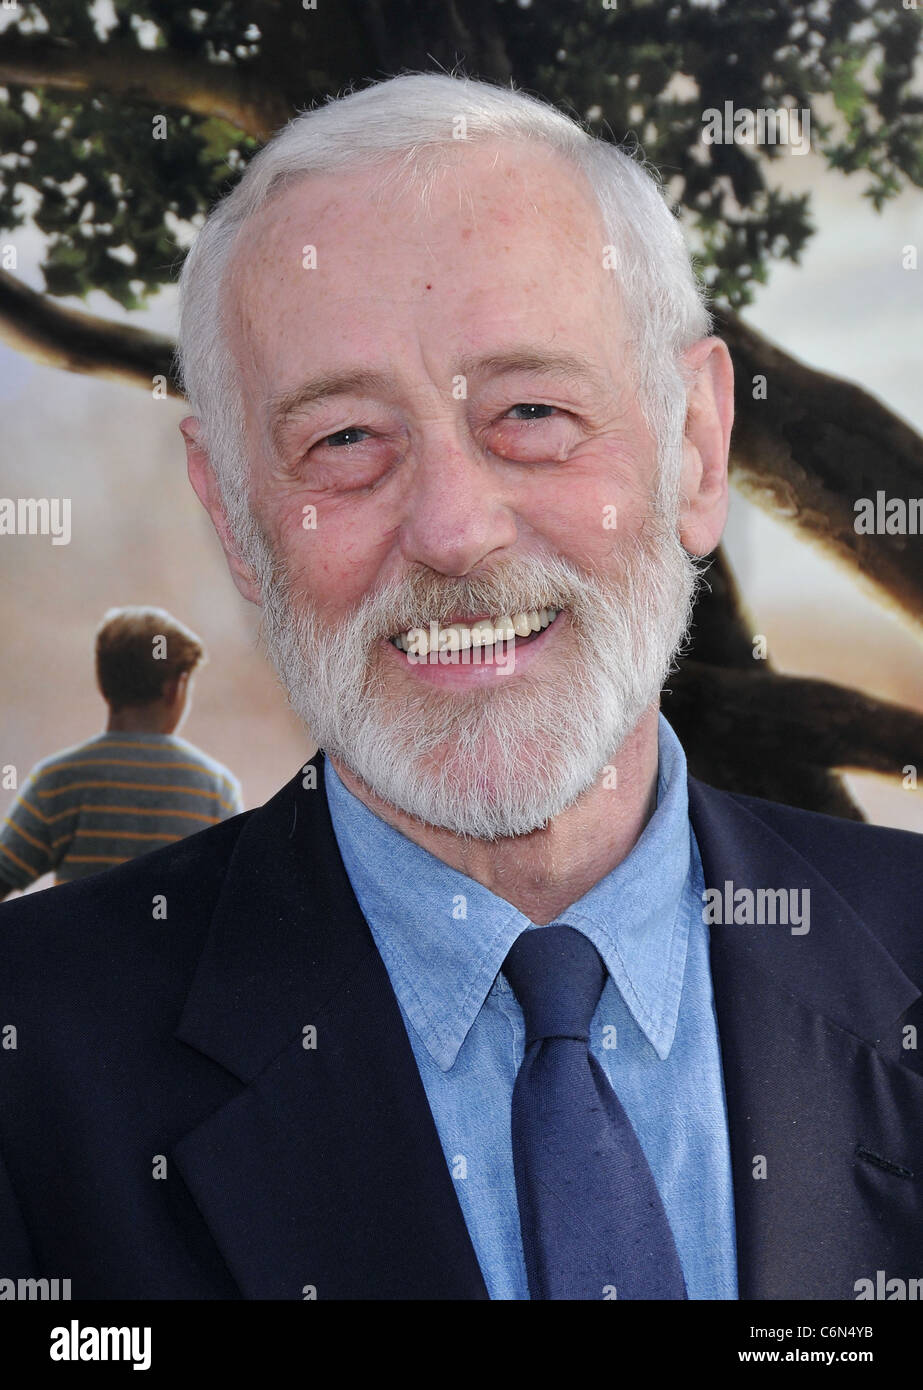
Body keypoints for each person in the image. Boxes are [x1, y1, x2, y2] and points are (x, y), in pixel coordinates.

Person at [0, 72, 920, 1302]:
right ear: (232, 515)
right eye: (343, 439)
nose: (451, 529)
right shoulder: (31, 1058)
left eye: (530, 410)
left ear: (696, 449)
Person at [0, 606, 243, 898]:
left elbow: (4, 873)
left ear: (104, 685)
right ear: (174, 689)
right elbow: (236, 893)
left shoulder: (58, 780)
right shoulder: (214, 788)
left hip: (78, 945)